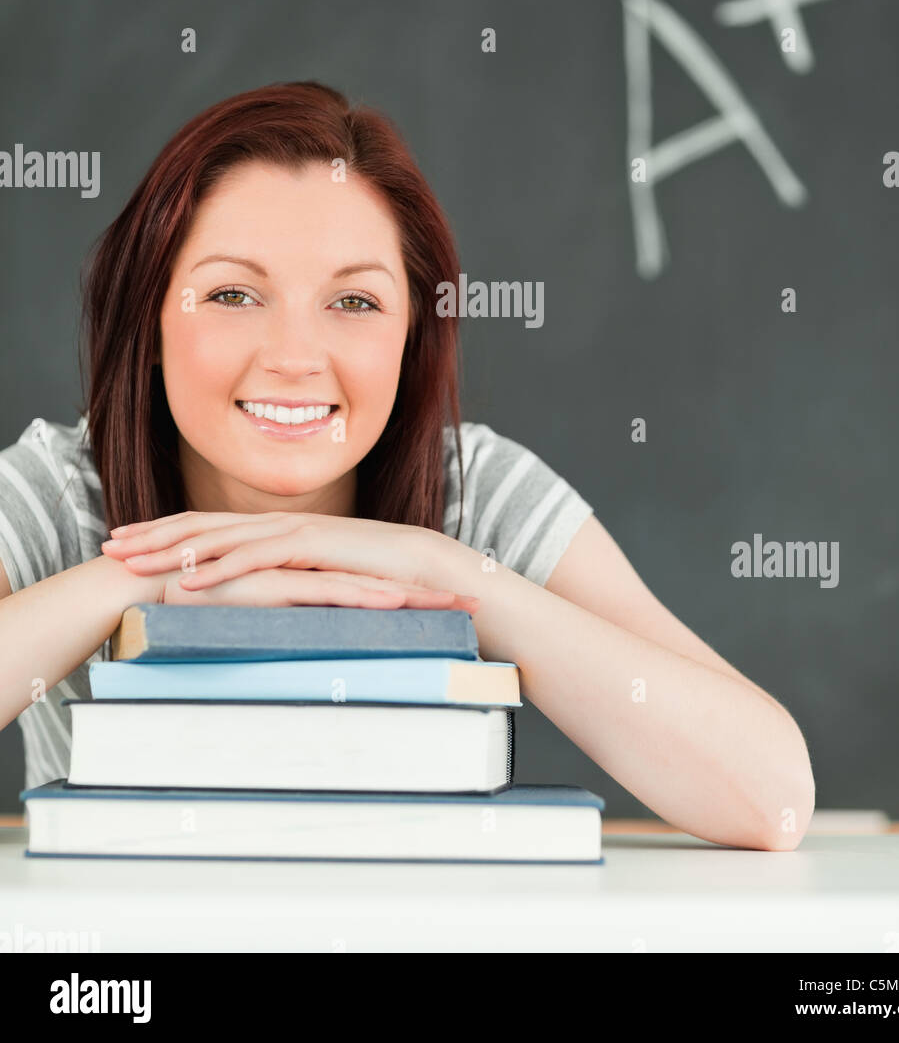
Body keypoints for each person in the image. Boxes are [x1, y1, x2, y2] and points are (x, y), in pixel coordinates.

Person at [0, 79, 814, 849]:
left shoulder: (475, 496)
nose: (294, 357)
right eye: (233, 295)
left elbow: (772, 796)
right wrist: (143, 577)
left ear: (411, 338)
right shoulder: (63, 492)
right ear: (151, 320)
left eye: (354, 302)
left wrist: (442, 568)